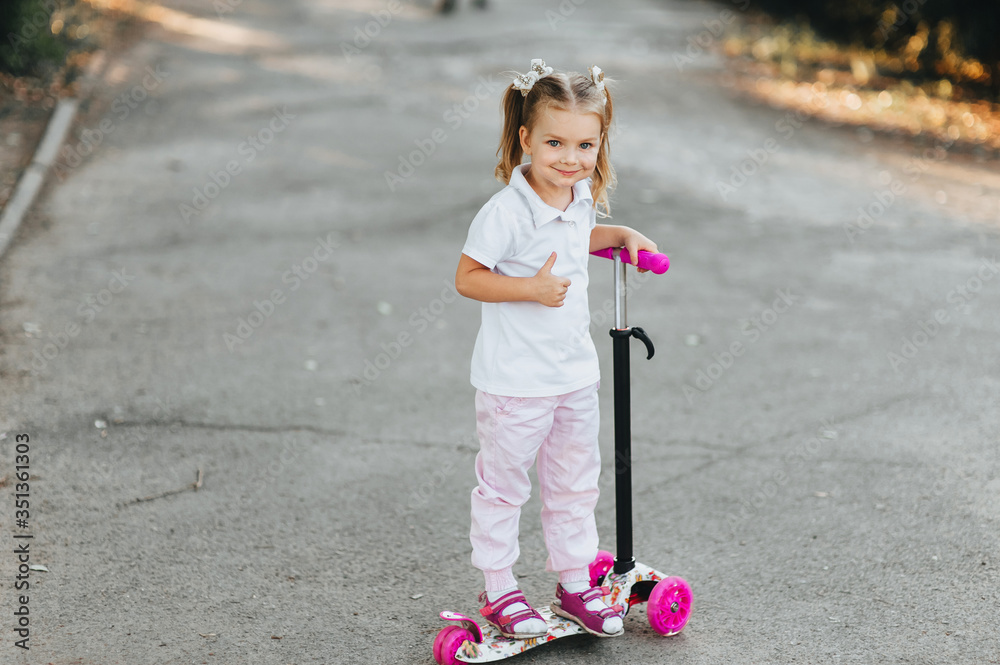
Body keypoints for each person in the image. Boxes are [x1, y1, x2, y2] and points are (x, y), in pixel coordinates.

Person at [454, 58, 658, 639]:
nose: (571, 158)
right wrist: (530, 289)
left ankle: (573, 584)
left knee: (574, 484)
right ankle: (499, 588)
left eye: (585, 145)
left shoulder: (578, 196)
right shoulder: (505, 212)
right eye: (555, 143)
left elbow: (576, 240)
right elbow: (468, 278)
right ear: (526, 138)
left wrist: (618, 235)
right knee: (503, 487)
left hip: (573, 376)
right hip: (516, 383)